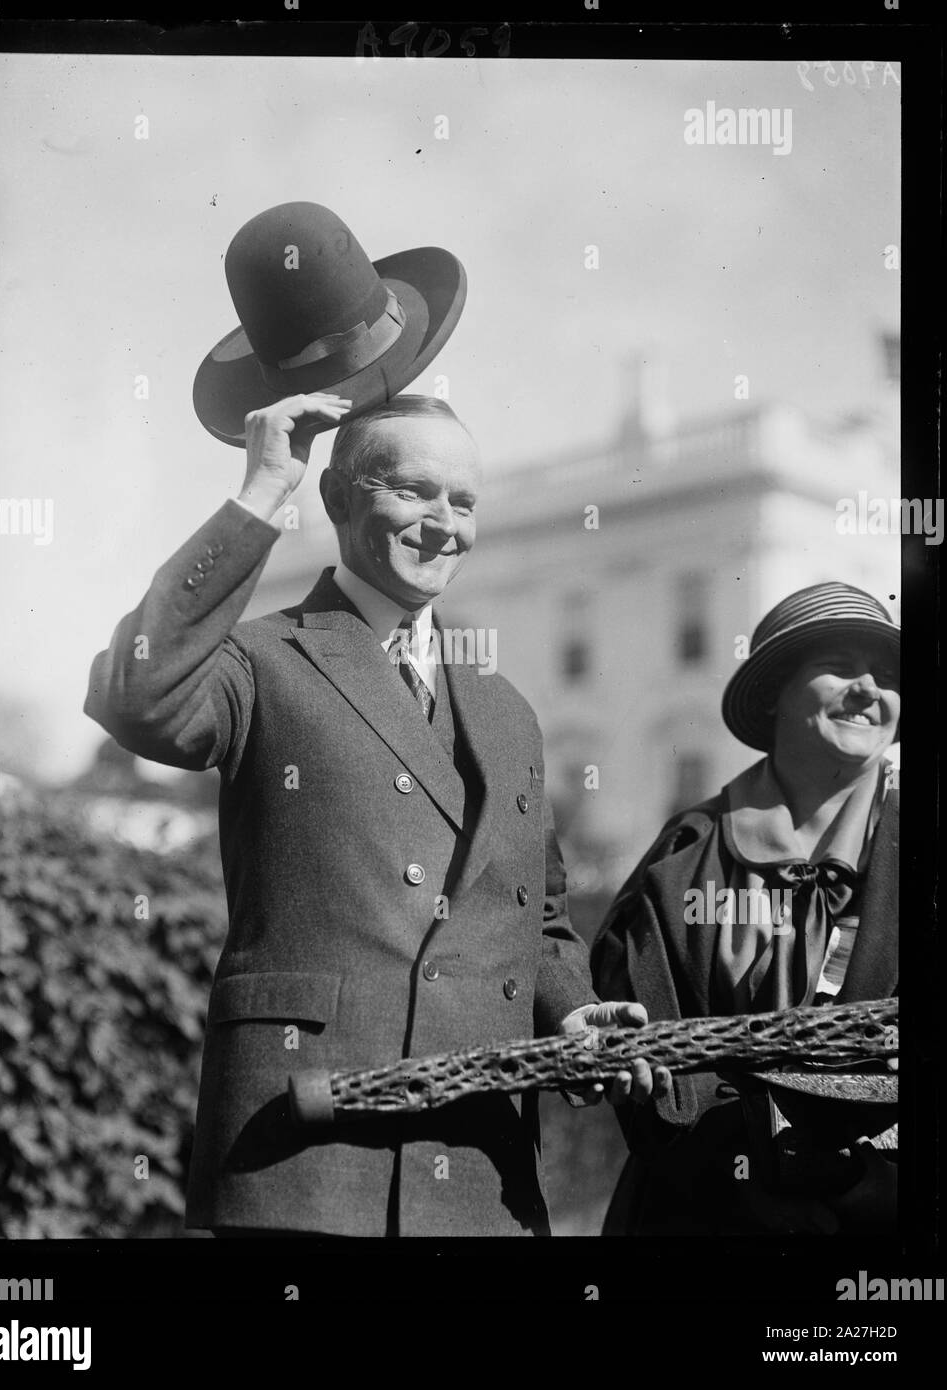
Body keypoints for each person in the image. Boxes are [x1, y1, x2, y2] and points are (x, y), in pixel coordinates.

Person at [86, 201, 666, 1238]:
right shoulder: (259, 658)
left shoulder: (505, 709)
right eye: (411, 491)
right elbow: (139, 696)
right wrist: (260, 491)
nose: (444, 525)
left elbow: (531, 921)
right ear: (344, 500)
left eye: (464, 502)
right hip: (303, 1158)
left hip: (482, 1170)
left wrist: (569, 1011)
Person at [591, 581, 899, 1236]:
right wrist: (749, 1164)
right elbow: (649, 1051)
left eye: (888, 675)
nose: (869, 690)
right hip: (707, 1213)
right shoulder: (688, 852)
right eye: (839, 666)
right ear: (773, 693)